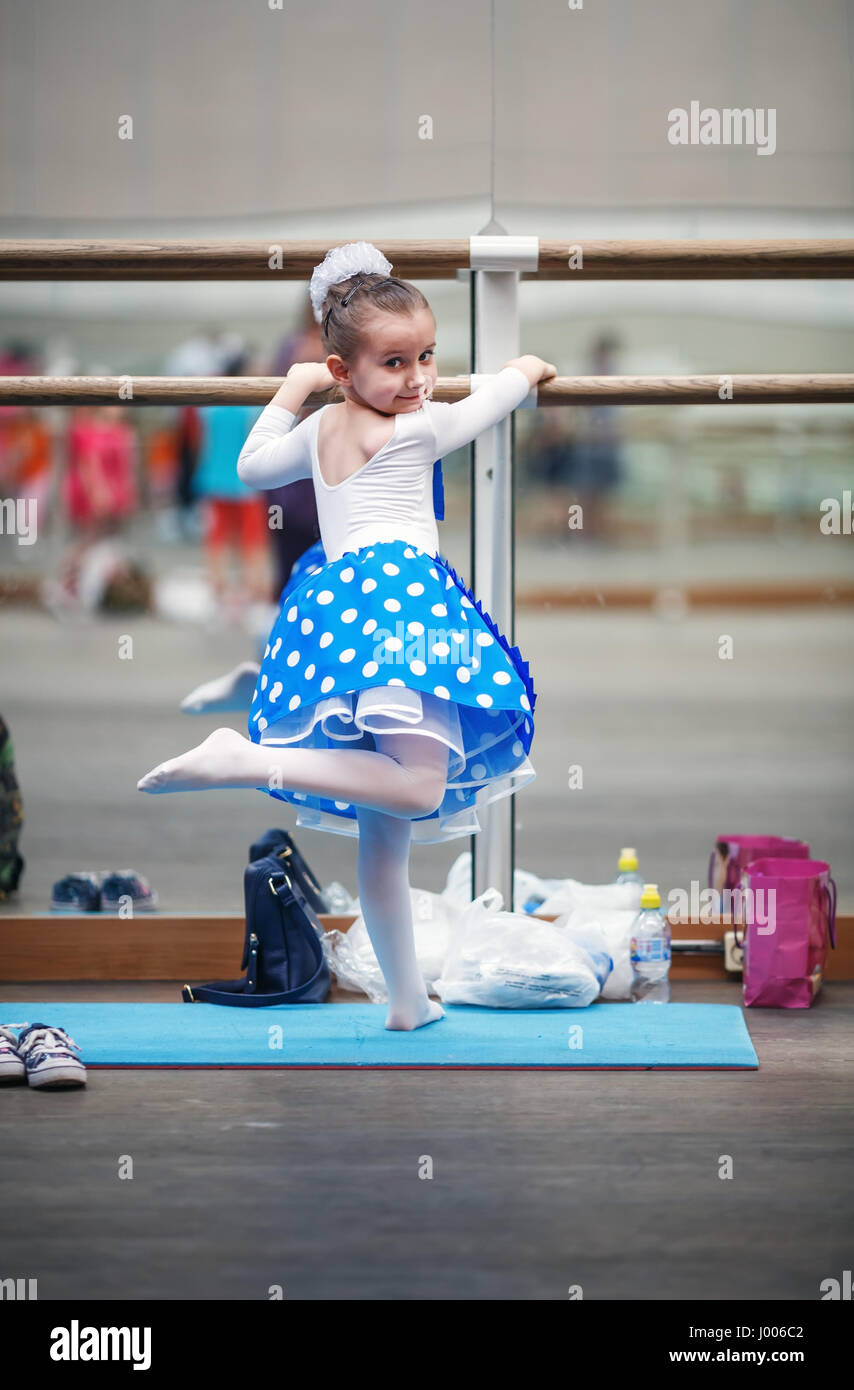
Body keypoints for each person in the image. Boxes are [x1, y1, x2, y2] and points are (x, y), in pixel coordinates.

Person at [138, 241, 555, 1032]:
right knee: (422, 787)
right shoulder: (414, 431)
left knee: (384, 838)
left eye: (427, 356)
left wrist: (291, 390)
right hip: (401, 618)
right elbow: (484, 408)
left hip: (339, 611)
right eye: (395, 363)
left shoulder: (323, 424)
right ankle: (245, 757)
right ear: (344, 369)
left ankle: (406, 1002)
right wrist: (525, 371)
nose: (419, 379)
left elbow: (255, 462)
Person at [192, 349, 270, 612]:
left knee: (217, 537)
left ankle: (219, 586)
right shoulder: (255, 409)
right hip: (247, 484)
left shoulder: (211, 409)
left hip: (214, 479)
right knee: (252, 538)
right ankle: (253, 587)